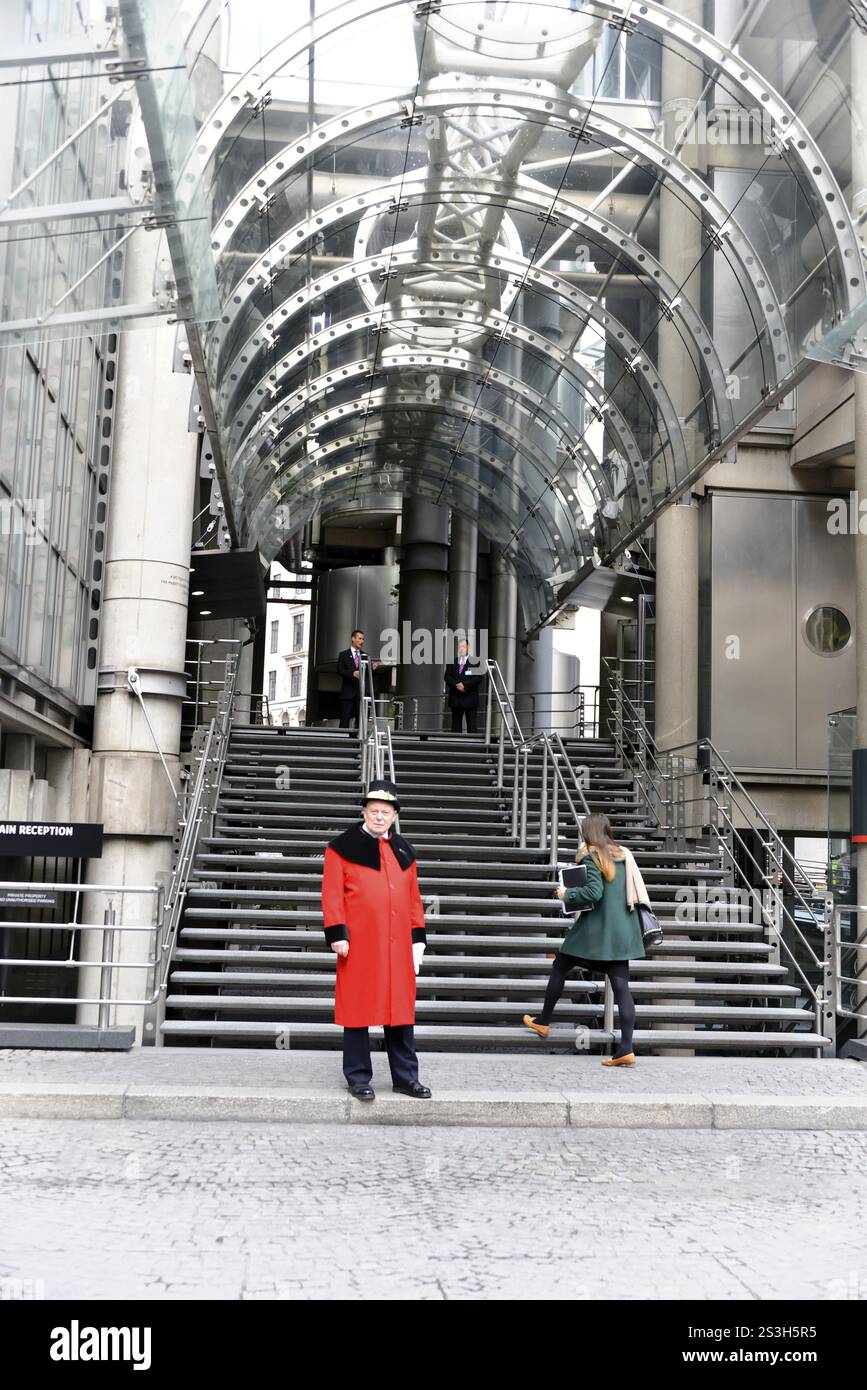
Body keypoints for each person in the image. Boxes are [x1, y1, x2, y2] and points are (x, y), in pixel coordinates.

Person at [321, 778, 432, 1101]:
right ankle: (358, 1077)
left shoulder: (404, 851)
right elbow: (332, 895)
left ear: (394, 815)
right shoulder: (340, 848)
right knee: (357, 1011)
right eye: (374, 810)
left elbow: (413, 899)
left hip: (398, 947)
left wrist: (417, 940)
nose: (379, 816)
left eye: (385, 811)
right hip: (360, 945)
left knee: (400, 1013)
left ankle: (405, 1078)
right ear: (364, 812)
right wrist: (337, 933)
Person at [522, 813, 649, 1066]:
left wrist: (567, 893)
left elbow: (595, 892)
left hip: (596, 932)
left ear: (587, 832)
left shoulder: (593, 855)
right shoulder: (623, 854)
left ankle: (544, 1021)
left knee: (560, 966)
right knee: (622, 988)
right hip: (622, 931)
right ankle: (626, 1048)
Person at [336, 629, 380, 730]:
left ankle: (358, 743)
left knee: (361, 722)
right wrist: (352, 673)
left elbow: (369, 674)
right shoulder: (343, 654)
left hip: (361, 694)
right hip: (347, 693)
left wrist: (373, 668)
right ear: (353, 638)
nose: (362, 641)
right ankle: (342, 742)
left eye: (363, 639)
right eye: (360, 638)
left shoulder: (365, 656)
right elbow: (339, 670)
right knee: (344, 721)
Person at [444, 638, 483, 733]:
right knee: (455, 726)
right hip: (456, 698)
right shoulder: (452, 662)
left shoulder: (476, 662)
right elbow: (447, 677)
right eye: (460, 647)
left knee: (472, 726)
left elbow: (478, 678)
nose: (461, 649)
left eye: (463, 646)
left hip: (470, 698)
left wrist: (464, 685)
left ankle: (473, 747)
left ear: (468, 648)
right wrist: (457, 685)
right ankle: (456, 747)